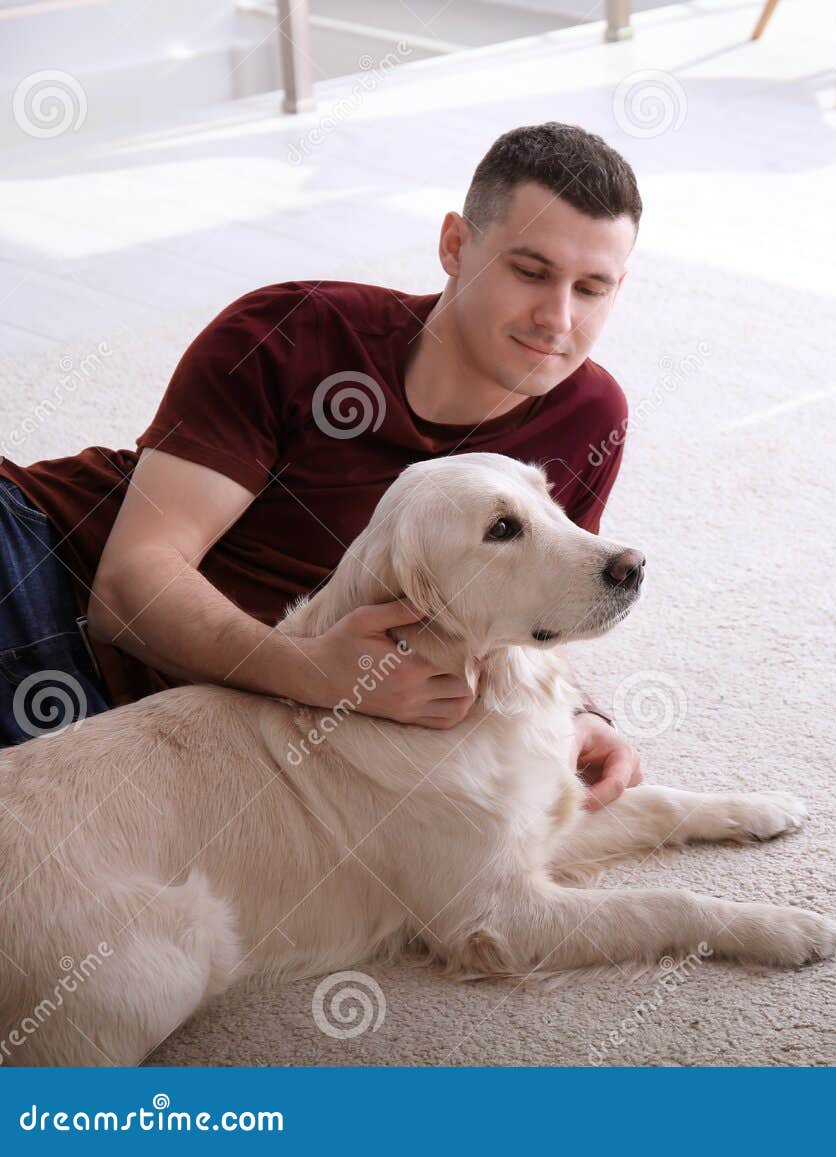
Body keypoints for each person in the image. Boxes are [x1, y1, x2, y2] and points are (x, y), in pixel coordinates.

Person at [0, 121, 645, 810]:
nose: (557, 317)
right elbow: (128, 589)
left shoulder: (587, 415)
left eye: (592, 289)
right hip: (42, 568)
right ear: (455, 245)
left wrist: (579, 715)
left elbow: (529, 603)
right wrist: (315, 671)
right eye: (531, 271)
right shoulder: (295, 333)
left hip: (163, 733)